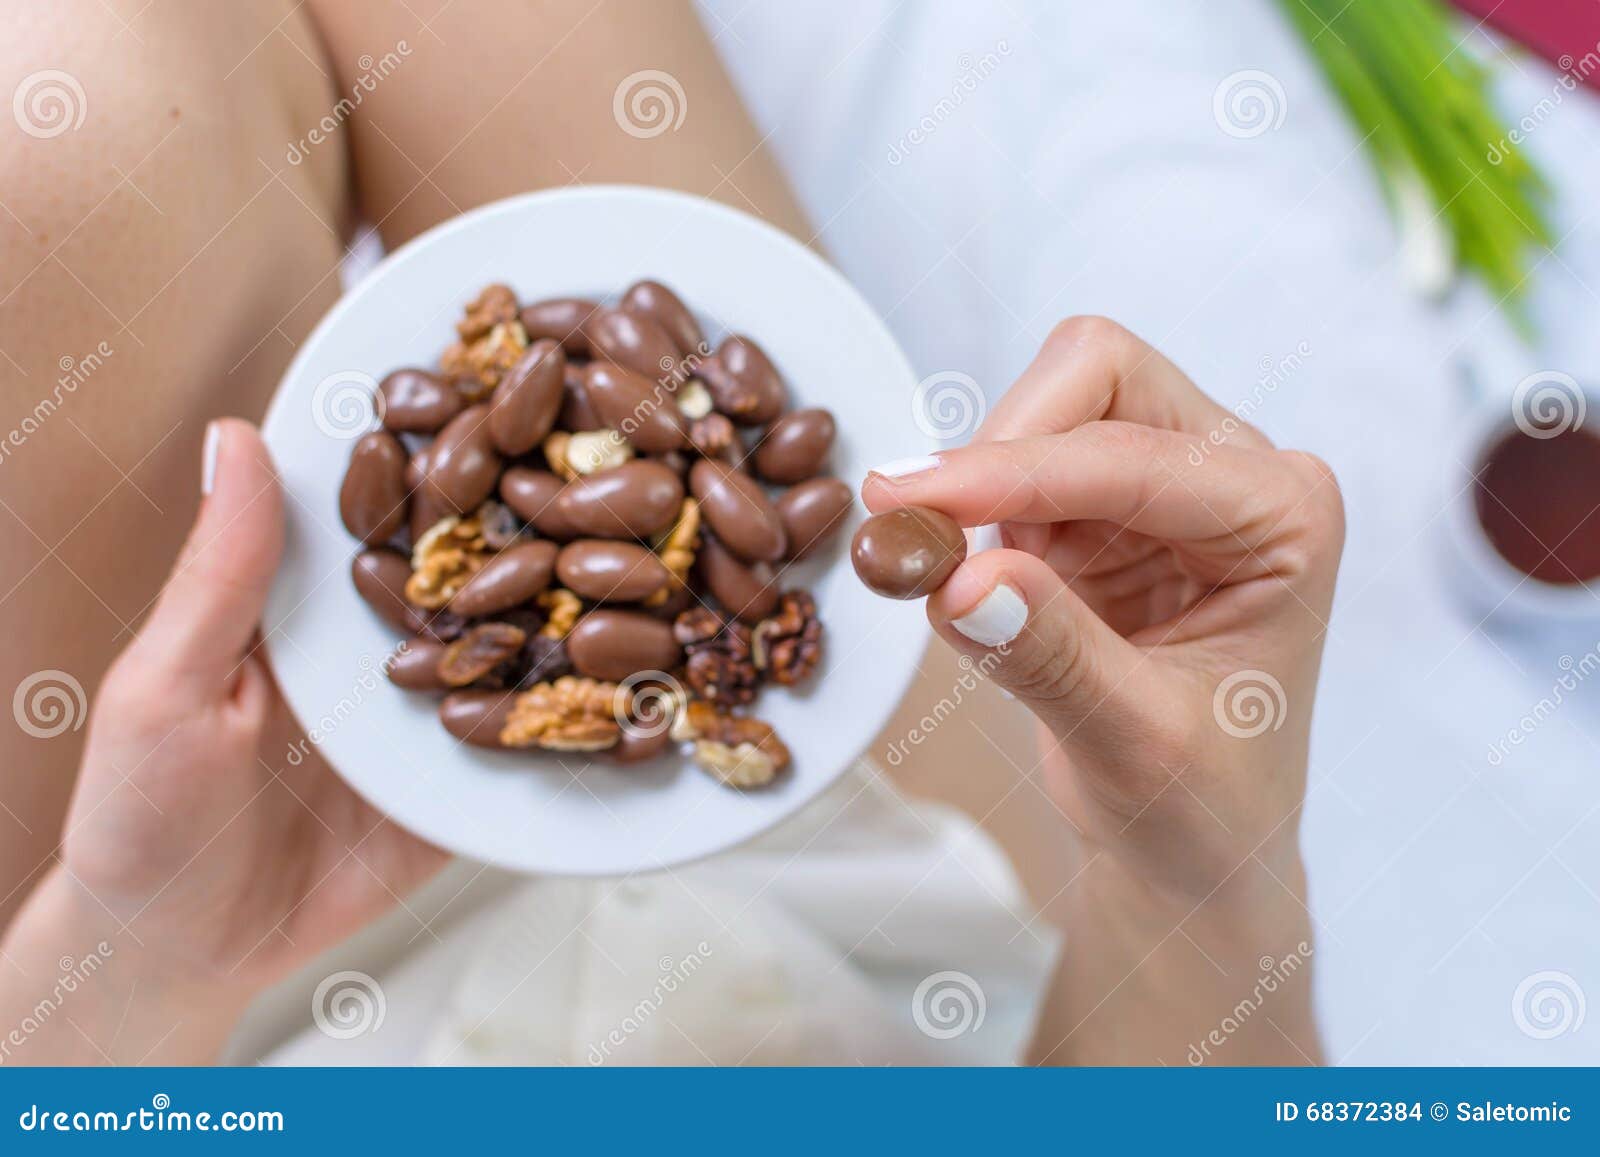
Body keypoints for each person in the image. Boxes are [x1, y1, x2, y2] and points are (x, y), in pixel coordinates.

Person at [0, 1, 1340, 1065]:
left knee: (63, 114)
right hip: (911, 949)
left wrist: (130, 967)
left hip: (232, 1030)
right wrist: (1203, 871)